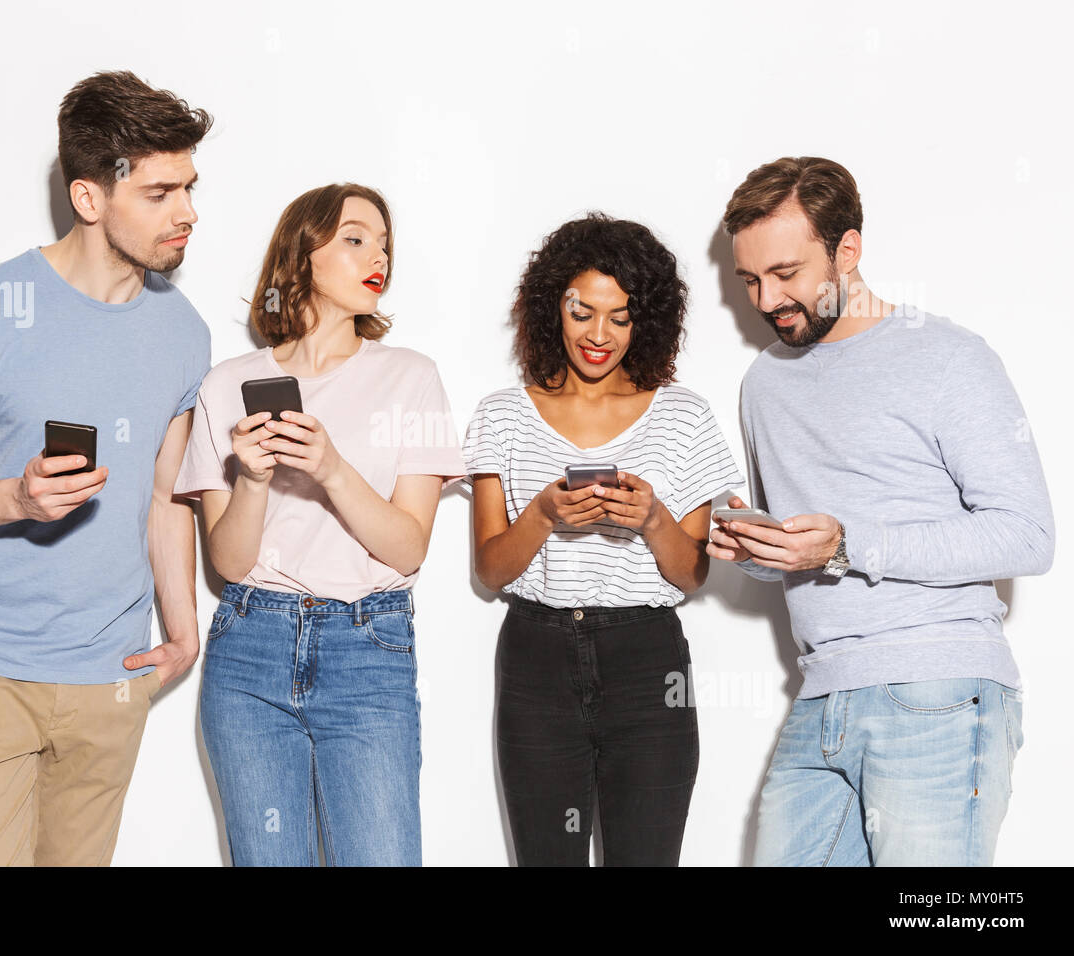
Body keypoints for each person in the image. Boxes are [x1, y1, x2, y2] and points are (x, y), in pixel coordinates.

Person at [0, 70, 213, 866]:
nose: (189, 212)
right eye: (162, 192)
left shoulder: (184, 332)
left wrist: (184, 625)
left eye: (192, 187)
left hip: (112, 678)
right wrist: (13, 497)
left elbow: (164, 494)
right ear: (90, 198)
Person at [708, 156, 1055, 866]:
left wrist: (847, 545)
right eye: (750, 280)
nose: (768, 298)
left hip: (937, 691)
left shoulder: (948, 357)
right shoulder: (764, 384)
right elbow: (808, 552)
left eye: (787, 273)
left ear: (848, 250)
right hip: (822, 697)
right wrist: (760, 549)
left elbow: (1028, 535)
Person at [173, 183, 466, 866]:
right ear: (303, 254)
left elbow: (407, 546)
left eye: (385, 245)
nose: (379, 258)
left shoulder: (411, 377)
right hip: (250, 646)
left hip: (369, 646)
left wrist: (332, 467)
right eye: (357, 239)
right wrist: (251, 478)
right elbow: (231, 564)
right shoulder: (226, 386)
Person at [463, 213, 744, 865]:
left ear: (645, 319)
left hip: (647, 660)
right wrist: (542, 515)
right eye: (582, 312)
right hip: (537, 656)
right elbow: (490, 571)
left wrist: (652, 520)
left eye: (620, 317)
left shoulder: (684, 415)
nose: (599, 335)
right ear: (550, 308)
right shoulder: (502, 415)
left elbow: (692, 575)